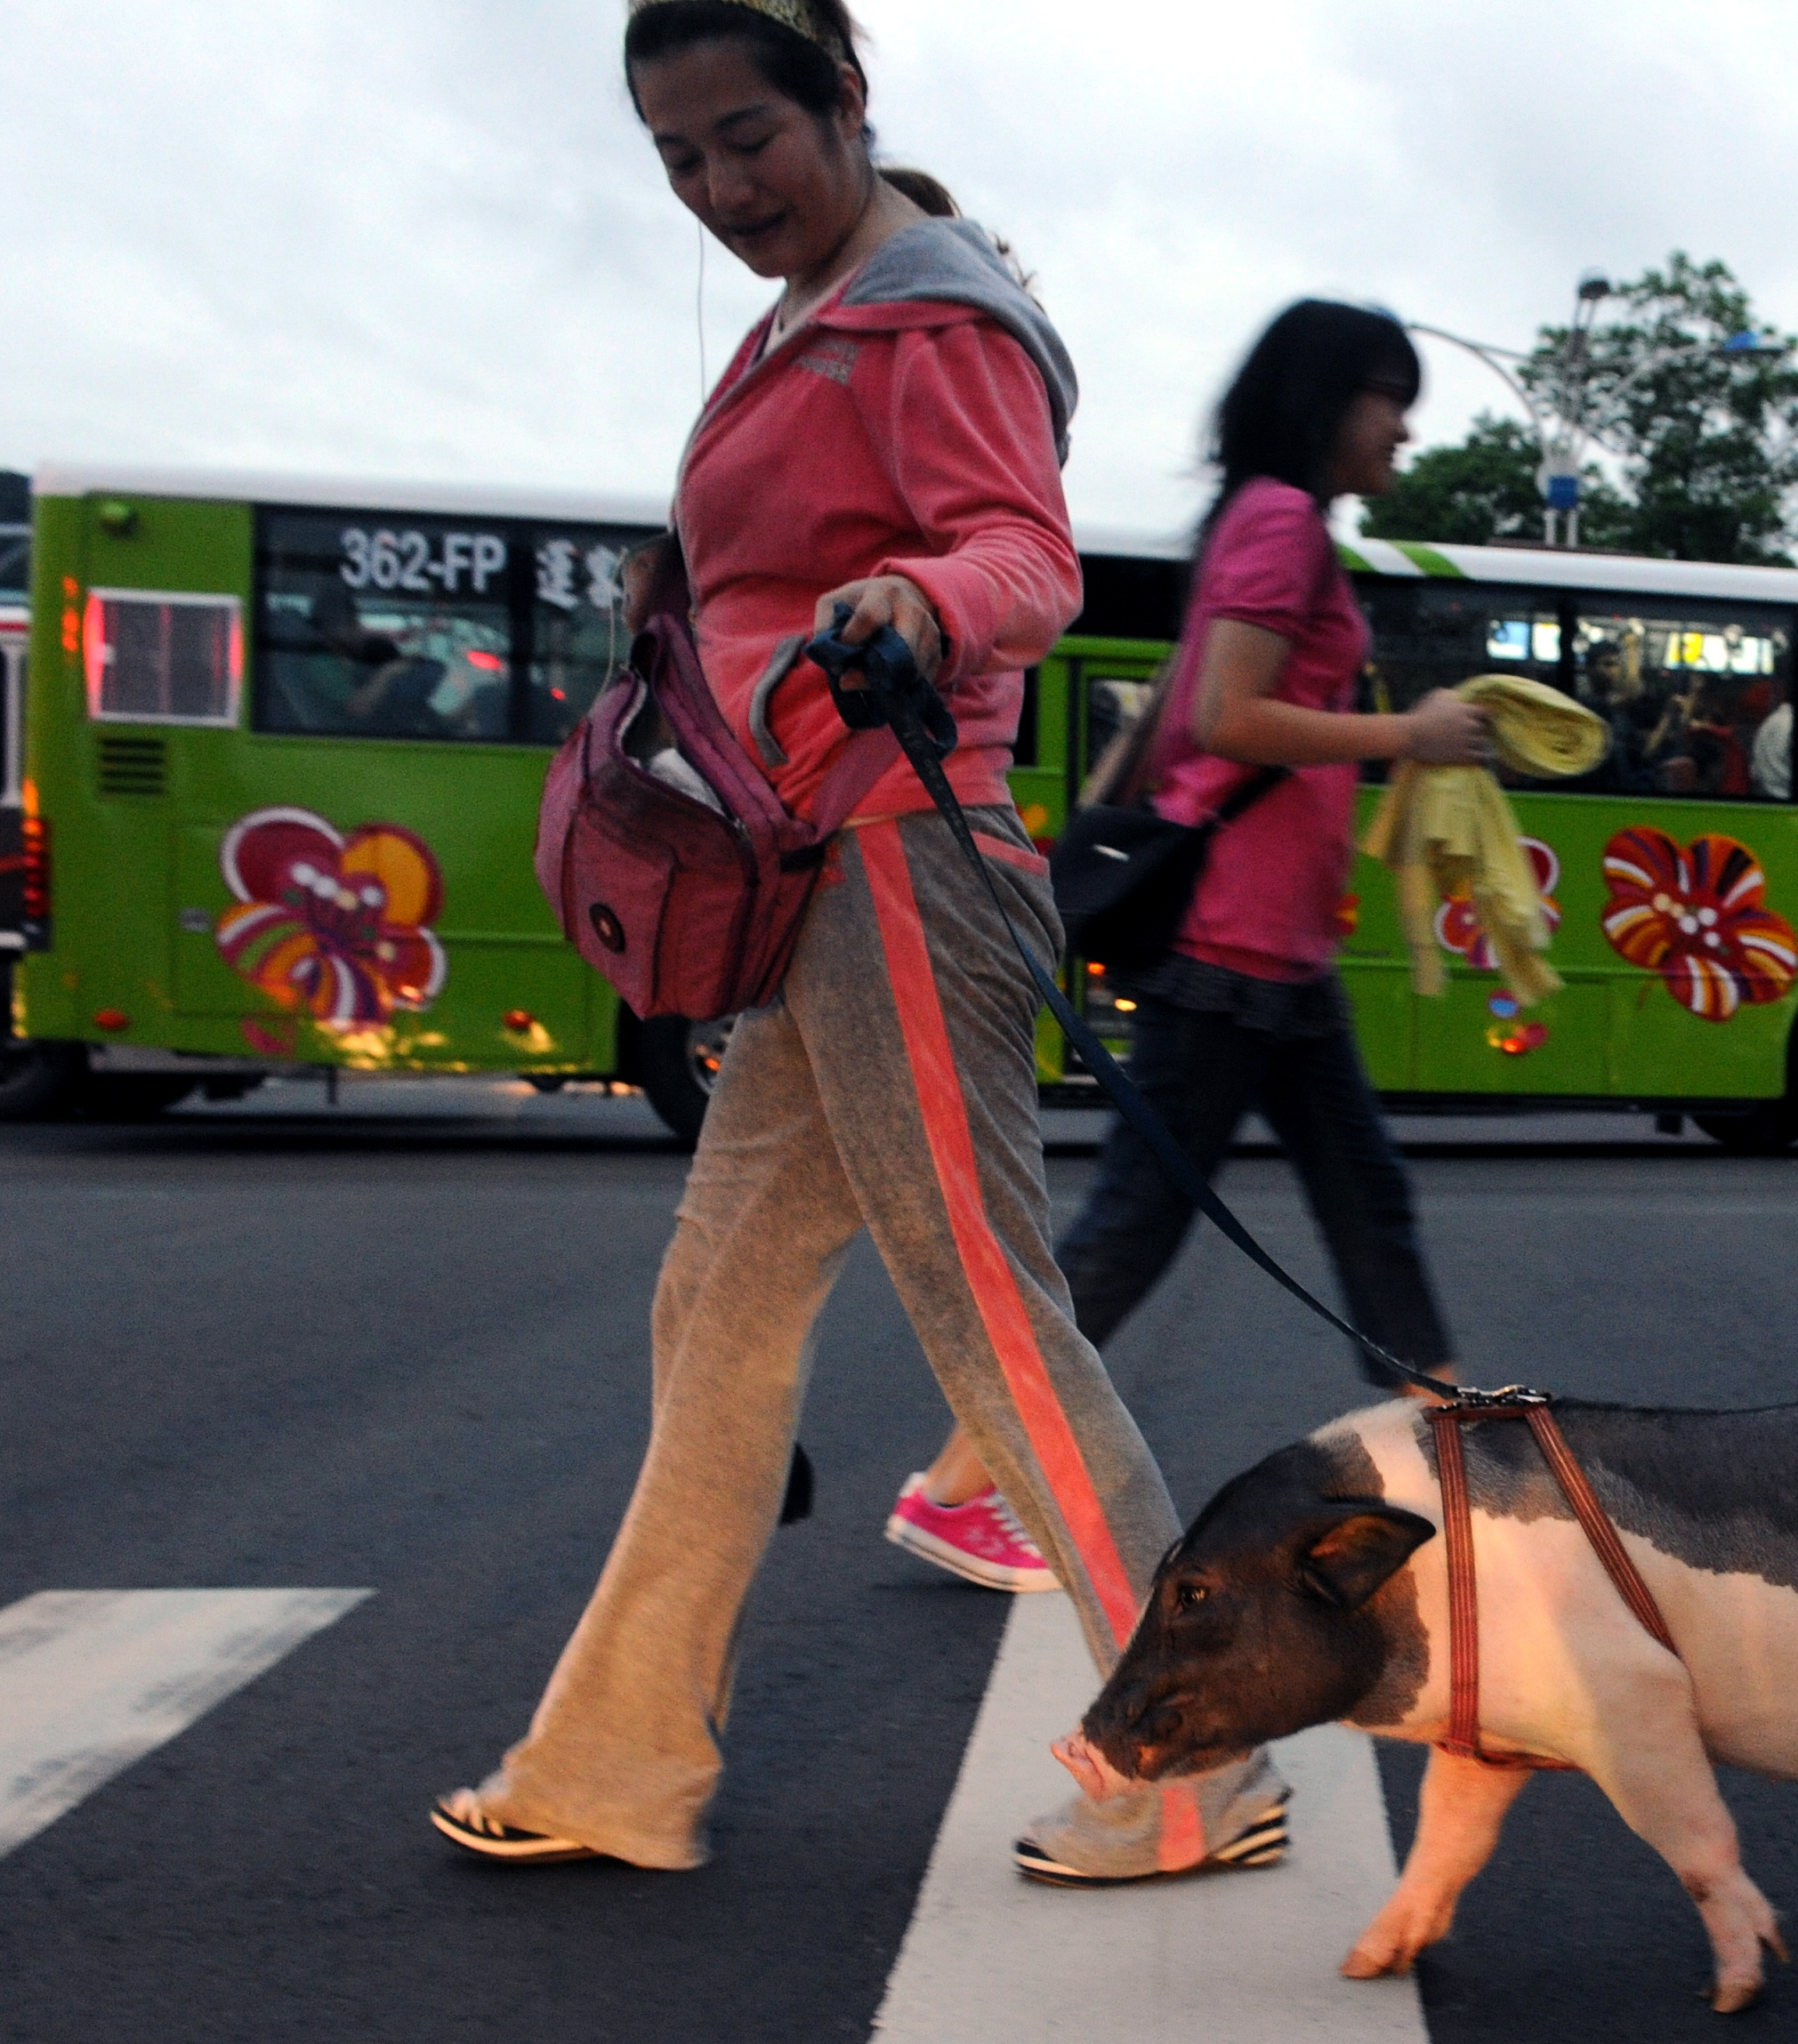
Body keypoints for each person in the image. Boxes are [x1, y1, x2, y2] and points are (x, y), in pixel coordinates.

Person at [430, 0, 1289, 1885]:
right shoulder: (806, 322)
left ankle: (1194, 1756)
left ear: (844, 100)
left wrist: (914, 588)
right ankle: (611, 1761)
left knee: (994, 1331)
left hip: (897, 859)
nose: (719, 187)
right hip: (810, 875)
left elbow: (1029, 557)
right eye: (675, 159)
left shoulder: (931, 311)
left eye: (749, 136)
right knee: (717, 1310)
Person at [883, 300, 1490, 1600]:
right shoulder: (1279, 522)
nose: (1406, 424)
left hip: (1274, 952)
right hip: (1230, 952)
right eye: (1389, 395)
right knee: (1129, 1235)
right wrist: (1409, 736)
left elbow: (1174, 715)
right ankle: (951, 1485)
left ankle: (1459, 1451)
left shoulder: (1267, 523)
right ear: (1325, 401)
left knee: (1364, 1193)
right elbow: (1228, 713)